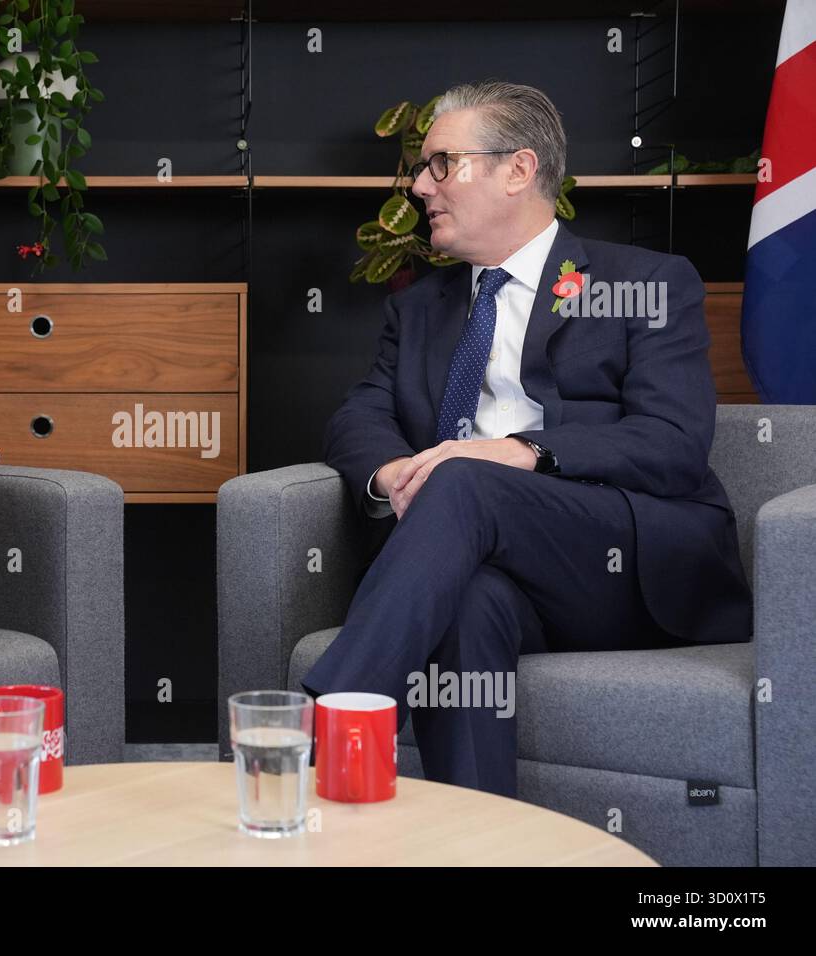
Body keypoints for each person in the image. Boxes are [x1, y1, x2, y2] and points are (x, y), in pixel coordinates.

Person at [302, 80, 752, 798]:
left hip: (624, 563)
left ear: (518, 169)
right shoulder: (420, 308)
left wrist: (521, 450)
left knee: (463, 477)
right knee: (467, 602)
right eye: (421, 168)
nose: (421, 186)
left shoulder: (645, 282)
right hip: (489, 561)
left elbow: (673, 440)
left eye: (441, 163)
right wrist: (392, 473)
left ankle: (330, 723)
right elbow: (358, 417)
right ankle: (476, 840)